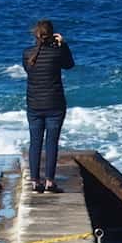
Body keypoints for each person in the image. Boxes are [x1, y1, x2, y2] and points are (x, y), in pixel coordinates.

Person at [22, 19, 75, 193]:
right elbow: (69, 64)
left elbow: (29, 69)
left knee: (35, 143)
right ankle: (50, 182)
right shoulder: (56, 53)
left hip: (34, 104)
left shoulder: (27, 54)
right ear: (51, 35)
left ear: (35, 35)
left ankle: (35, 182)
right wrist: (63, 44)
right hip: (55, 105)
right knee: (52, 143)